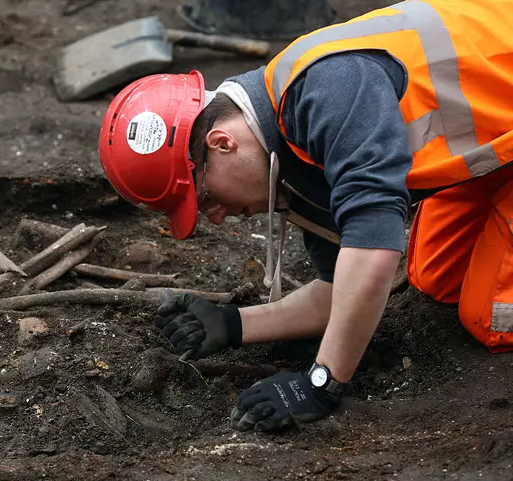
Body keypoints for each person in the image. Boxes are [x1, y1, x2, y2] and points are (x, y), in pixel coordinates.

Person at [97, 0, 513, 432]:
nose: (216, 217)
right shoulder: (285, 155)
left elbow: (373, 254)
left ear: (222, 144)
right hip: (496, 146)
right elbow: (342, 289)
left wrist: (322, 382)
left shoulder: (327, 92)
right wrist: (233, 324)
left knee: (491, 317)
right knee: (436, 278)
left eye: (203, 198)